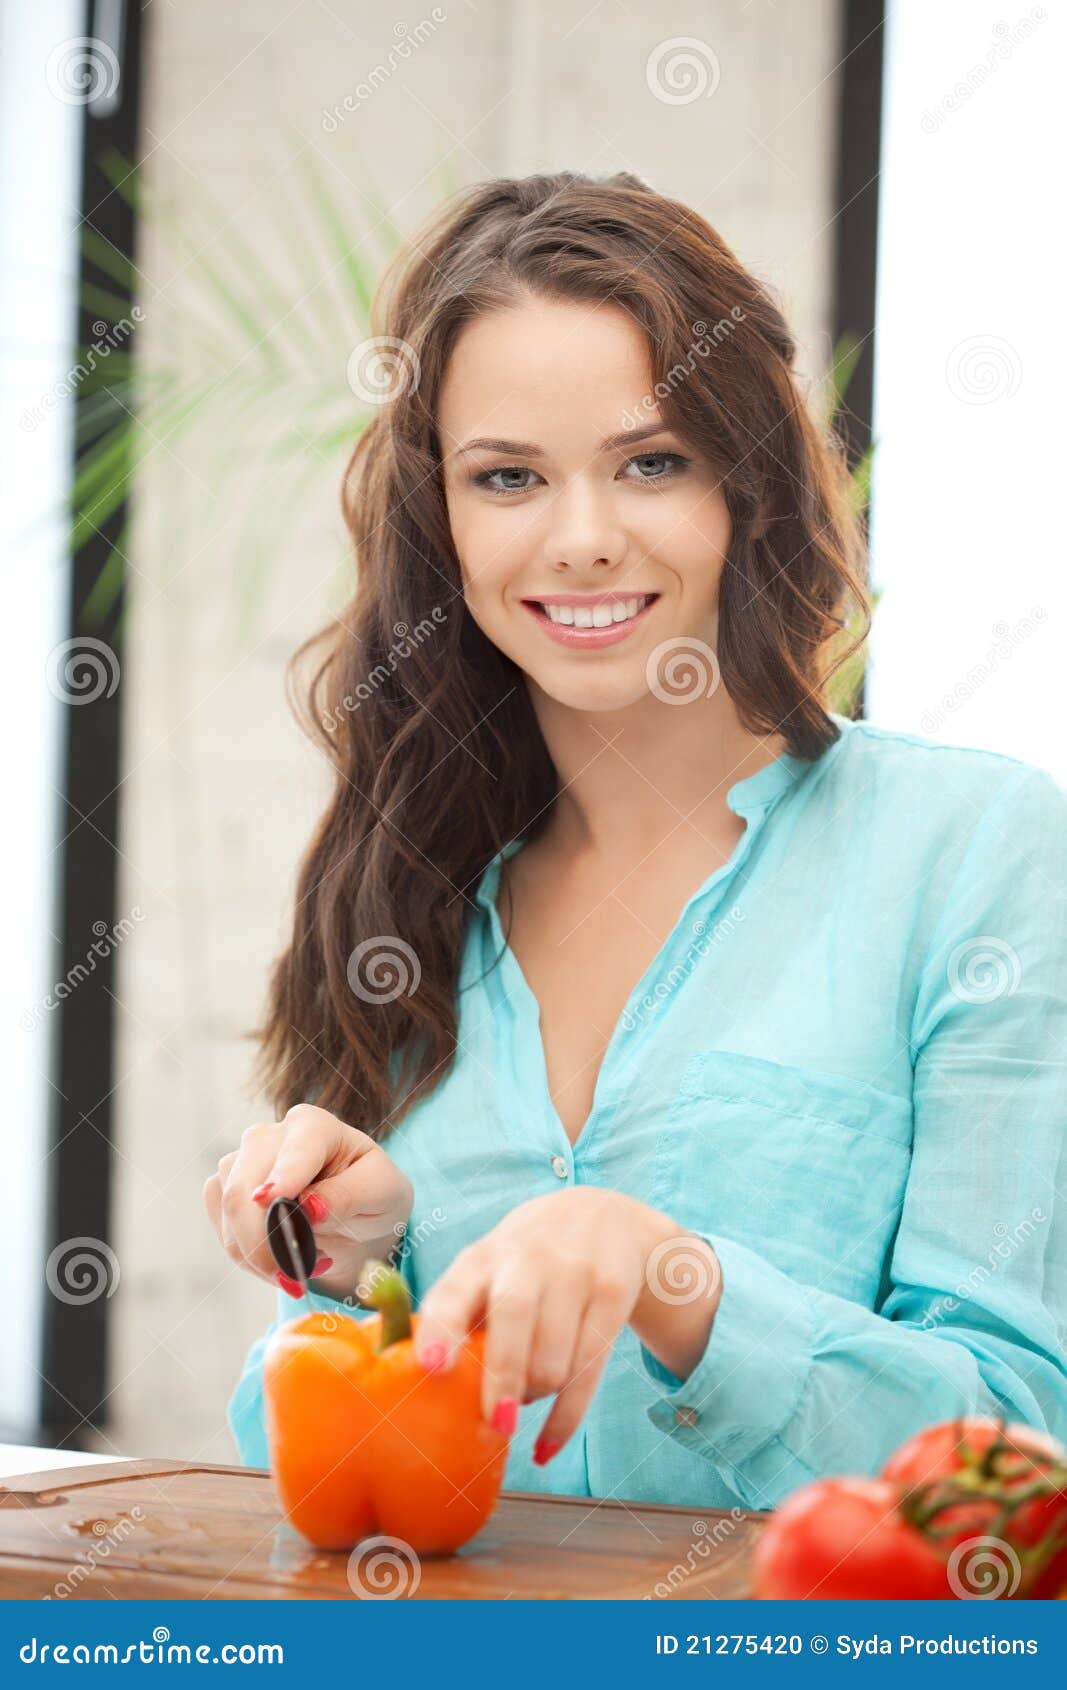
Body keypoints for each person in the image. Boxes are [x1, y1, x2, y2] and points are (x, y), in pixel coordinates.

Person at [204, 171, 1067, 1513]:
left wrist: (683, 1284)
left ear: (748, 488)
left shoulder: (979, 850)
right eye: (509, 477)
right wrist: (365, 1271)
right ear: (447, 522)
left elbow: (1021, 1457)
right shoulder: (414, 889)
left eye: (650, 462)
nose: (585, 538)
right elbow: (325, 1471)